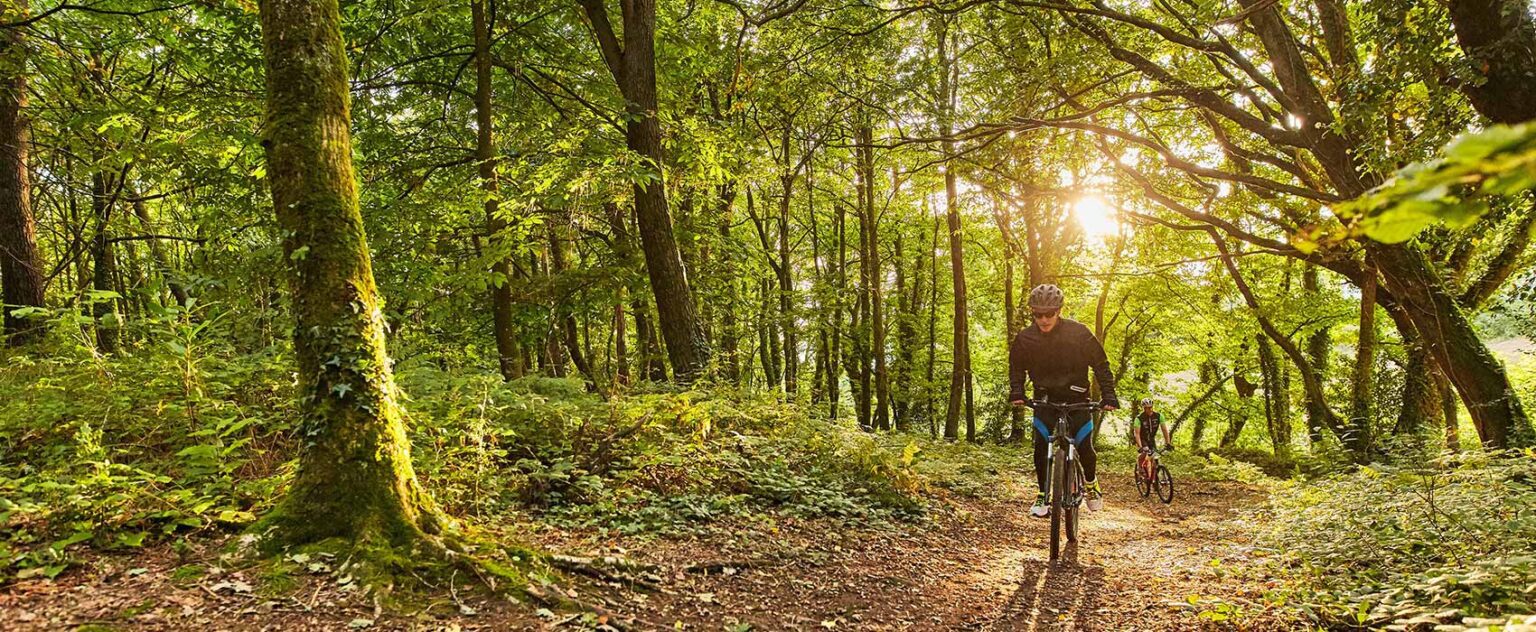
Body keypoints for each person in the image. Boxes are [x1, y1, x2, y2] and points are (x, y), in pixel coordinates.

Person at [1009, 284, 1119, 518]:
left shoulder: (1078, 333)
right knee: (1040, 447)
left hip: (1077, 398)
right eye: (1038, 314)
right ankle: (1042, 494)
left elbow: (1100, 364)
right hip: (1045, 399)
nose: (1044, 319)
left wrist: (1109, 394)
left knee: (1085, 446)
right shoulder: (1025, 338)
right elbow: (1016, 367)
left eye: (1049, 313)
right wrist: (1017, 392)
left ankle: (1090, 484)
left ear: (1059, 311)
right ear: (1033, 313)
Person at [1132, 397, 1173, 475]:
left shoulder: (1158, 416)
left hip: (1151, 439)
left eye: (1150, 407)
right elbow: (1136, 434)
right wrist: (1140, 447)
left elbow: (1164, 430)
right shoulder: (1139, 418)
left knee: (1154, 455)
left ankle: (1154, 477)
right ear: (1143, 408)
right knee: (1145, 452)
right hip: (1142, 438)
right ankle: (1140, 467)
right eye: (1146, 408)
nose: (1148, 410)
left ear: (1152, 407)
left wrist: (1168, 443)